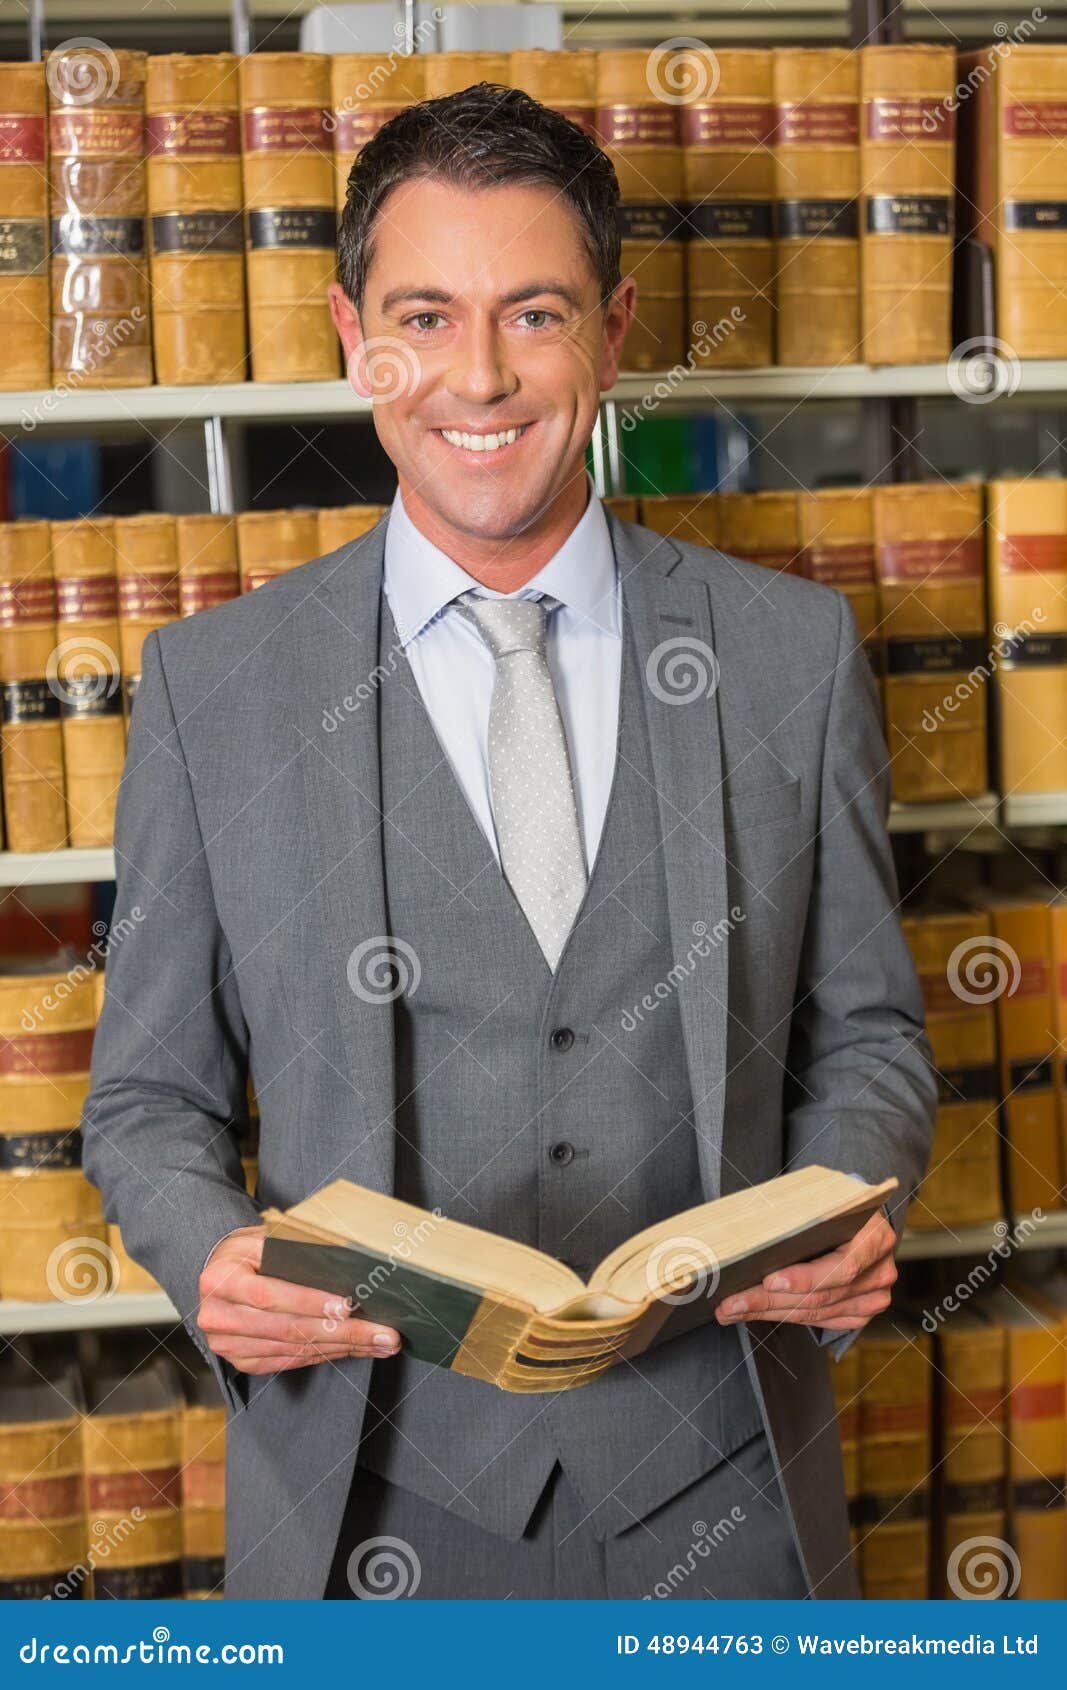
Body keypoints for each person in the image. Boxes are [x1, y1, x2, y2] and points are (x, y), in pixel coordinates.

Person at [81, 82, 936, 1601]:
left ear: (611, 332)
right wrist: (207, 1253)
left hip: (724, 1486)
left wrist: (850, 1199)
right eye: (425, 313)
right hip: (360, 1499)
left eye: (533, 313)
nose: (476, 374)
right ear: (353, 339)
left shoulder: (791, 657)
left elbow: (869, 1039)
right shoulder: (214, 690)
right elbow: (148, 1100)